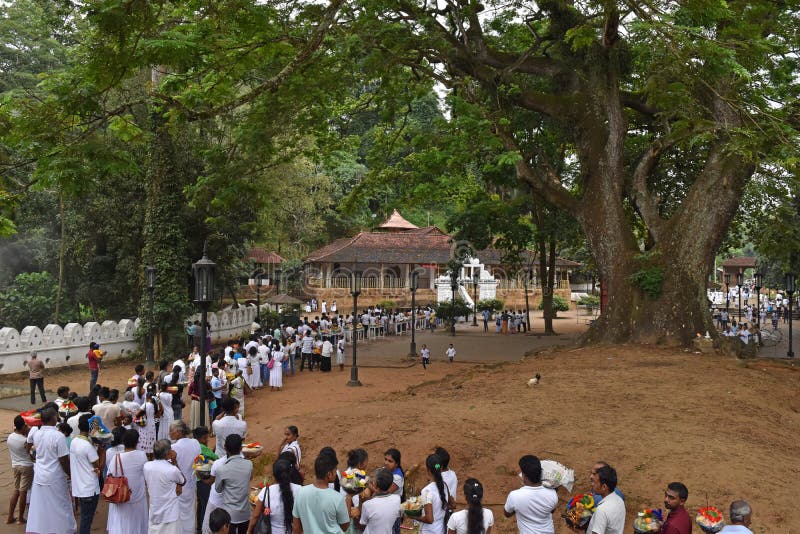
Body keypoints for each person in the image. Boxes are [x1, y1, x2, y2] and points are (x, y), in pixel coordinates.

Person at [27, 407, 76, 534]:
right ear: (53, 418)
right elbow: (63, 460)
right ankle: (63, 530)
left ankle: (46, 530)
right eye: (56, 416)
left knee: (43, 506)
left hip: (40, 475)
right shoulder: (58, 436)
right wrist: (71, 474)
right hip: (55, 477)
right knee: (61, 505)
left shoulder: (37, 434)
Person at [292, 452, 350, 534]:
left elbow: (296, 527)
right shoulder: (337, 498)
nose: (336, 473)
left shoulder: (301, 492)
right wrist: (349, 497)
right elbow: (345, 526)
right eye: (335, 470)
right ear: (329, 474)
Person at [107, 428, 149, 534]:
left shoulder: (116, 458)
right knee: (137, 523)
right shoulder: (142, 455)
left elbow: (109, 476)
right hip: (138, 496)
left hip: (121, 497)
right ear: (137, 441)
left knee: (122, 522)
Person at [503, 454, 558, 533]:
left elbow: (507, 514)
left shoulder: (514, 496)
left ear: (524, 476)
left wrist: (519, 507)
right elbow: (551, 510)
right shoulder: (552, 494)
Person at [247, 458, 301, 534]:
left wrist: (249, 531)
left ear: (274, 475)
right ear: (290, 472)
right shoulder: (300, 490)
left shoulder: (266, 491)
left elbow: (256, 515)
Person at [144, 439, 187, 533]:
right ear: (168, 453)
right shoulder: (172, 470)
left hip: (155, 512)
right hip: (170, 514)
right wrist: (174, 461)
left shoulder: (146, 466)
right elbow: (183, 481)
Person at [71, 413, 104, 534]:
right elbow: (99, 466)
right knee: (86, 520)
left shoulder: (75, 440)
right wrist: (102, 448)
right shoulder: (87, 446)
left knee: (85, 518)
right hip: (89, 488)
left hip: (80, 487)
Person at [214, 434, 254, 534]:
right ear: (241, 448)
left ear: (225, 448)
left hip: (229, 515)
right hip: (245, 513)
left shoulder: (222, 469)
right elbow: (249, 478)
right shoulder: (249, 464)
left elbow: (218, 490)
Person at [170, 420, 202, 534]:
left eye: (171, 431)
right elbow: (198, 461)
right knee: (189, 513)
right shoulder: (195, 443)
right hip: (191, 483)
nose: (169, 433)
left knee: (178, 514)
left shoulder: (173, 447)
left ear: (178, 432)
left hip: (178, 486)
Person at [414, 454, 451, 534]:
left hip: (428, 531)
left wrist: (414, 516)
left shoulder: (427, 491)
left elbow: (430, 519)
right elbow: (448, 505)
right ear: (441, 469)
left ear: (428, 471)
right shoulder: (445, 486)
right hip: (440, 530)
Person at [358, 468, 401, 534]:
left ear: (375, 484)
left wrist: (360, 501)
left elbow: (362, 524)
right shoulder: (397, 499)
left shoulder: (367, 505)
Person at [7, 415, 33, 525]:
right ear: (23, 427)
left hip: (15, 465)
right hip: (26, 466)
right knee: (23, 492)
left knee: (16, 490)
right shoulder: (24, 440)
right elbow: (31, 454)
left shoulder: (10, 437)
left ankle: (10, 517)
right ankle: (20, 518)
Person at [585, 464, 625, 534]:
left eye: (595, 482)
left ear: (604, 487)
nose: (592, 484)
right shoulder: (619, 500)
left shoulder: (602, 510)